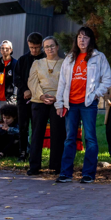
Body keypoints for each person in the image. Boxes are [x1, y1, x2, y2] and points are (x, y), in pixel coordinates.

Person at [55, 26, 111, 184]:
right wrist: (59, 103)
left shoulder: (98, 57)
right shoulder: (69, 58)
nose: (82, 40)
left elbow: (107, 79)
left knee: (90, 138)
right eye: (80, 37)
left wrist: (95, 95)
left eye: (85, 37)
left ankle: (88, 174)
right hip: (70, 105)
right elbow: (62, 83)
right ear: (76, 40)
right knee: (69, 139)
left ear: (91, 40)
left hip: (88, 104)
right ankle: (66, 174)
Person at [27, 35, 64, 175]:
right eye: (47, 46)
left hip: (58, 101)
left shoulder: (65, 63)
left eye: (52, 45)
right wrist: (41, 96)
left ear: (57, 47)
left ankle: (56, 166)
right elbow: (32, 82)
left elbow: (66, 83)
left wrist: (57, 97)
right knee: (37, 133)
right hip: (39, 100)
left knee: (58, 133)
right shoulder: (37, 63)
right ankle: (34, 166)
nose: (49, 48)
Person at [14, 33, 44, 161]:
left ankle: (35, 152)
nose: (34, 50)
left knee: (37, 126)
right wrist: (25, 89)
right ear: (28, 44)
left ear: (41, 45)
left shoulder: (45, 59)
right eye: (32, 47)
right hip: (24, 97)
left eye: (37, 47)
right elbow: (17, 78)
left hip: (39, 98)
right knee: (23, 125)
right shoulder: (22, 59)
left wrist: (34, 91)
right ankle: (22, 152)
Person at [0, 40, 17, 124]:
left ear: (11, 50)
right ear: (0, 50)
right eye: (2, 48)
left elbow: (17, 81)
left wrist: (14, 96)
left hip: (7, 97)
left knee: (5, 121)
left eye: (7, 48)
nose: (4, 50)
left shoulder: (15, 64)